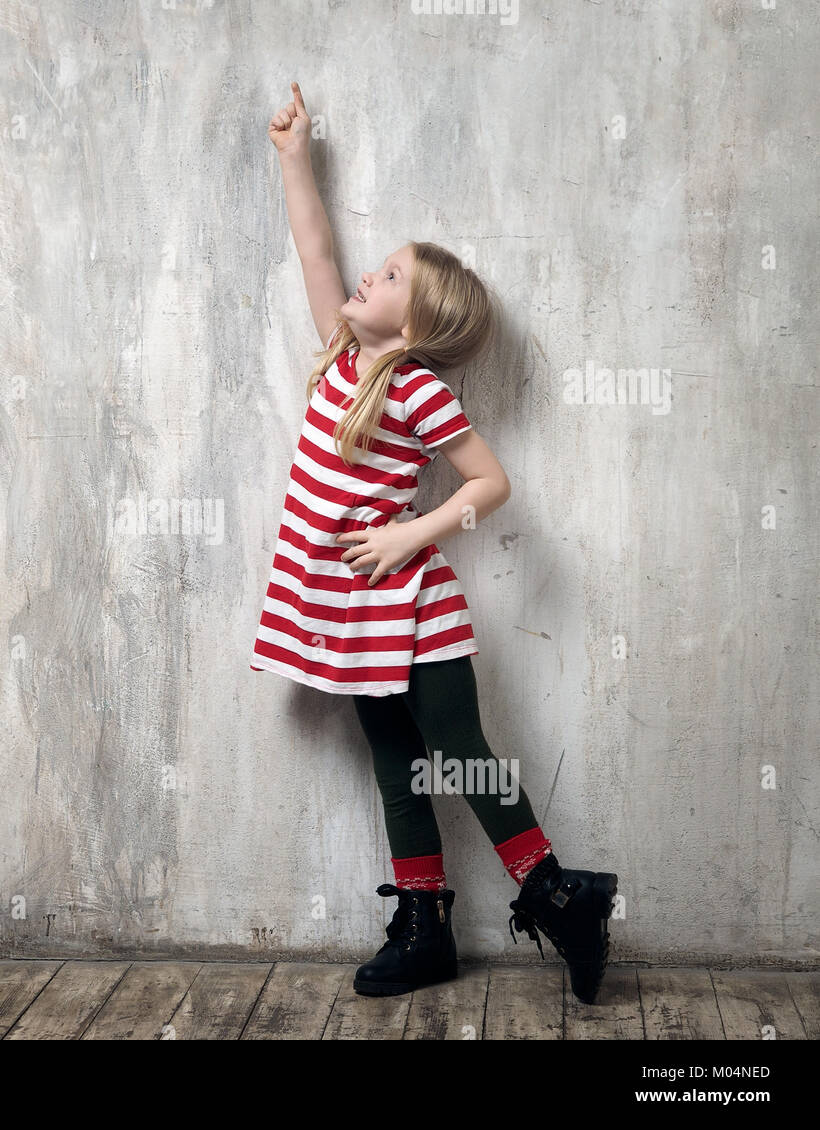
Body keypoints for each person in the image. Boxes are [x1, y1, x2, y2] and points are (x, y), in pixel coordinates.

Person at [250, 81, 619, 1005]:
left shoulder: (415, 388)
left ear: (414, 327)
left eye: (388, 277)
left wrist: (412, 531)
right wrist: (296, 156)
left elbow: (491, 482)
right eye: (372, 270)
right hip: (353, 616)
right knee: (393, 759)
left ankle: (559, 893)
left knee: (454, 747)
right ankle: (426, 927)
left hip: (415, 614)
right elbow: (315, 247)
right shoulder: (344, 357)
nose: (365, 278)